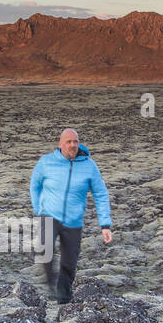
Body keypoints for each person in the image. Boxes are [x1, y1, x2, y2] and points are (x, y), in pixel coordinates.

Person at [29, 128, 112, 303]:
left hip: (73, 221)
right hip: (48, 216)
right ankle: (50, 284)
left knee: (69, 264)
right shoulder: (46, 162)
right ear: (60, 144)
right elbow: (34, 185)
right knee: (44, 250)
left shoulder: (89, 166)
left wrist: (105, 225)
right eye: (68, 141)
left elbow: (100, 193)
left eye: (75, 141)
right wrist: (38, 209)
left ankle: (63, 300)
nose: (73, 145)